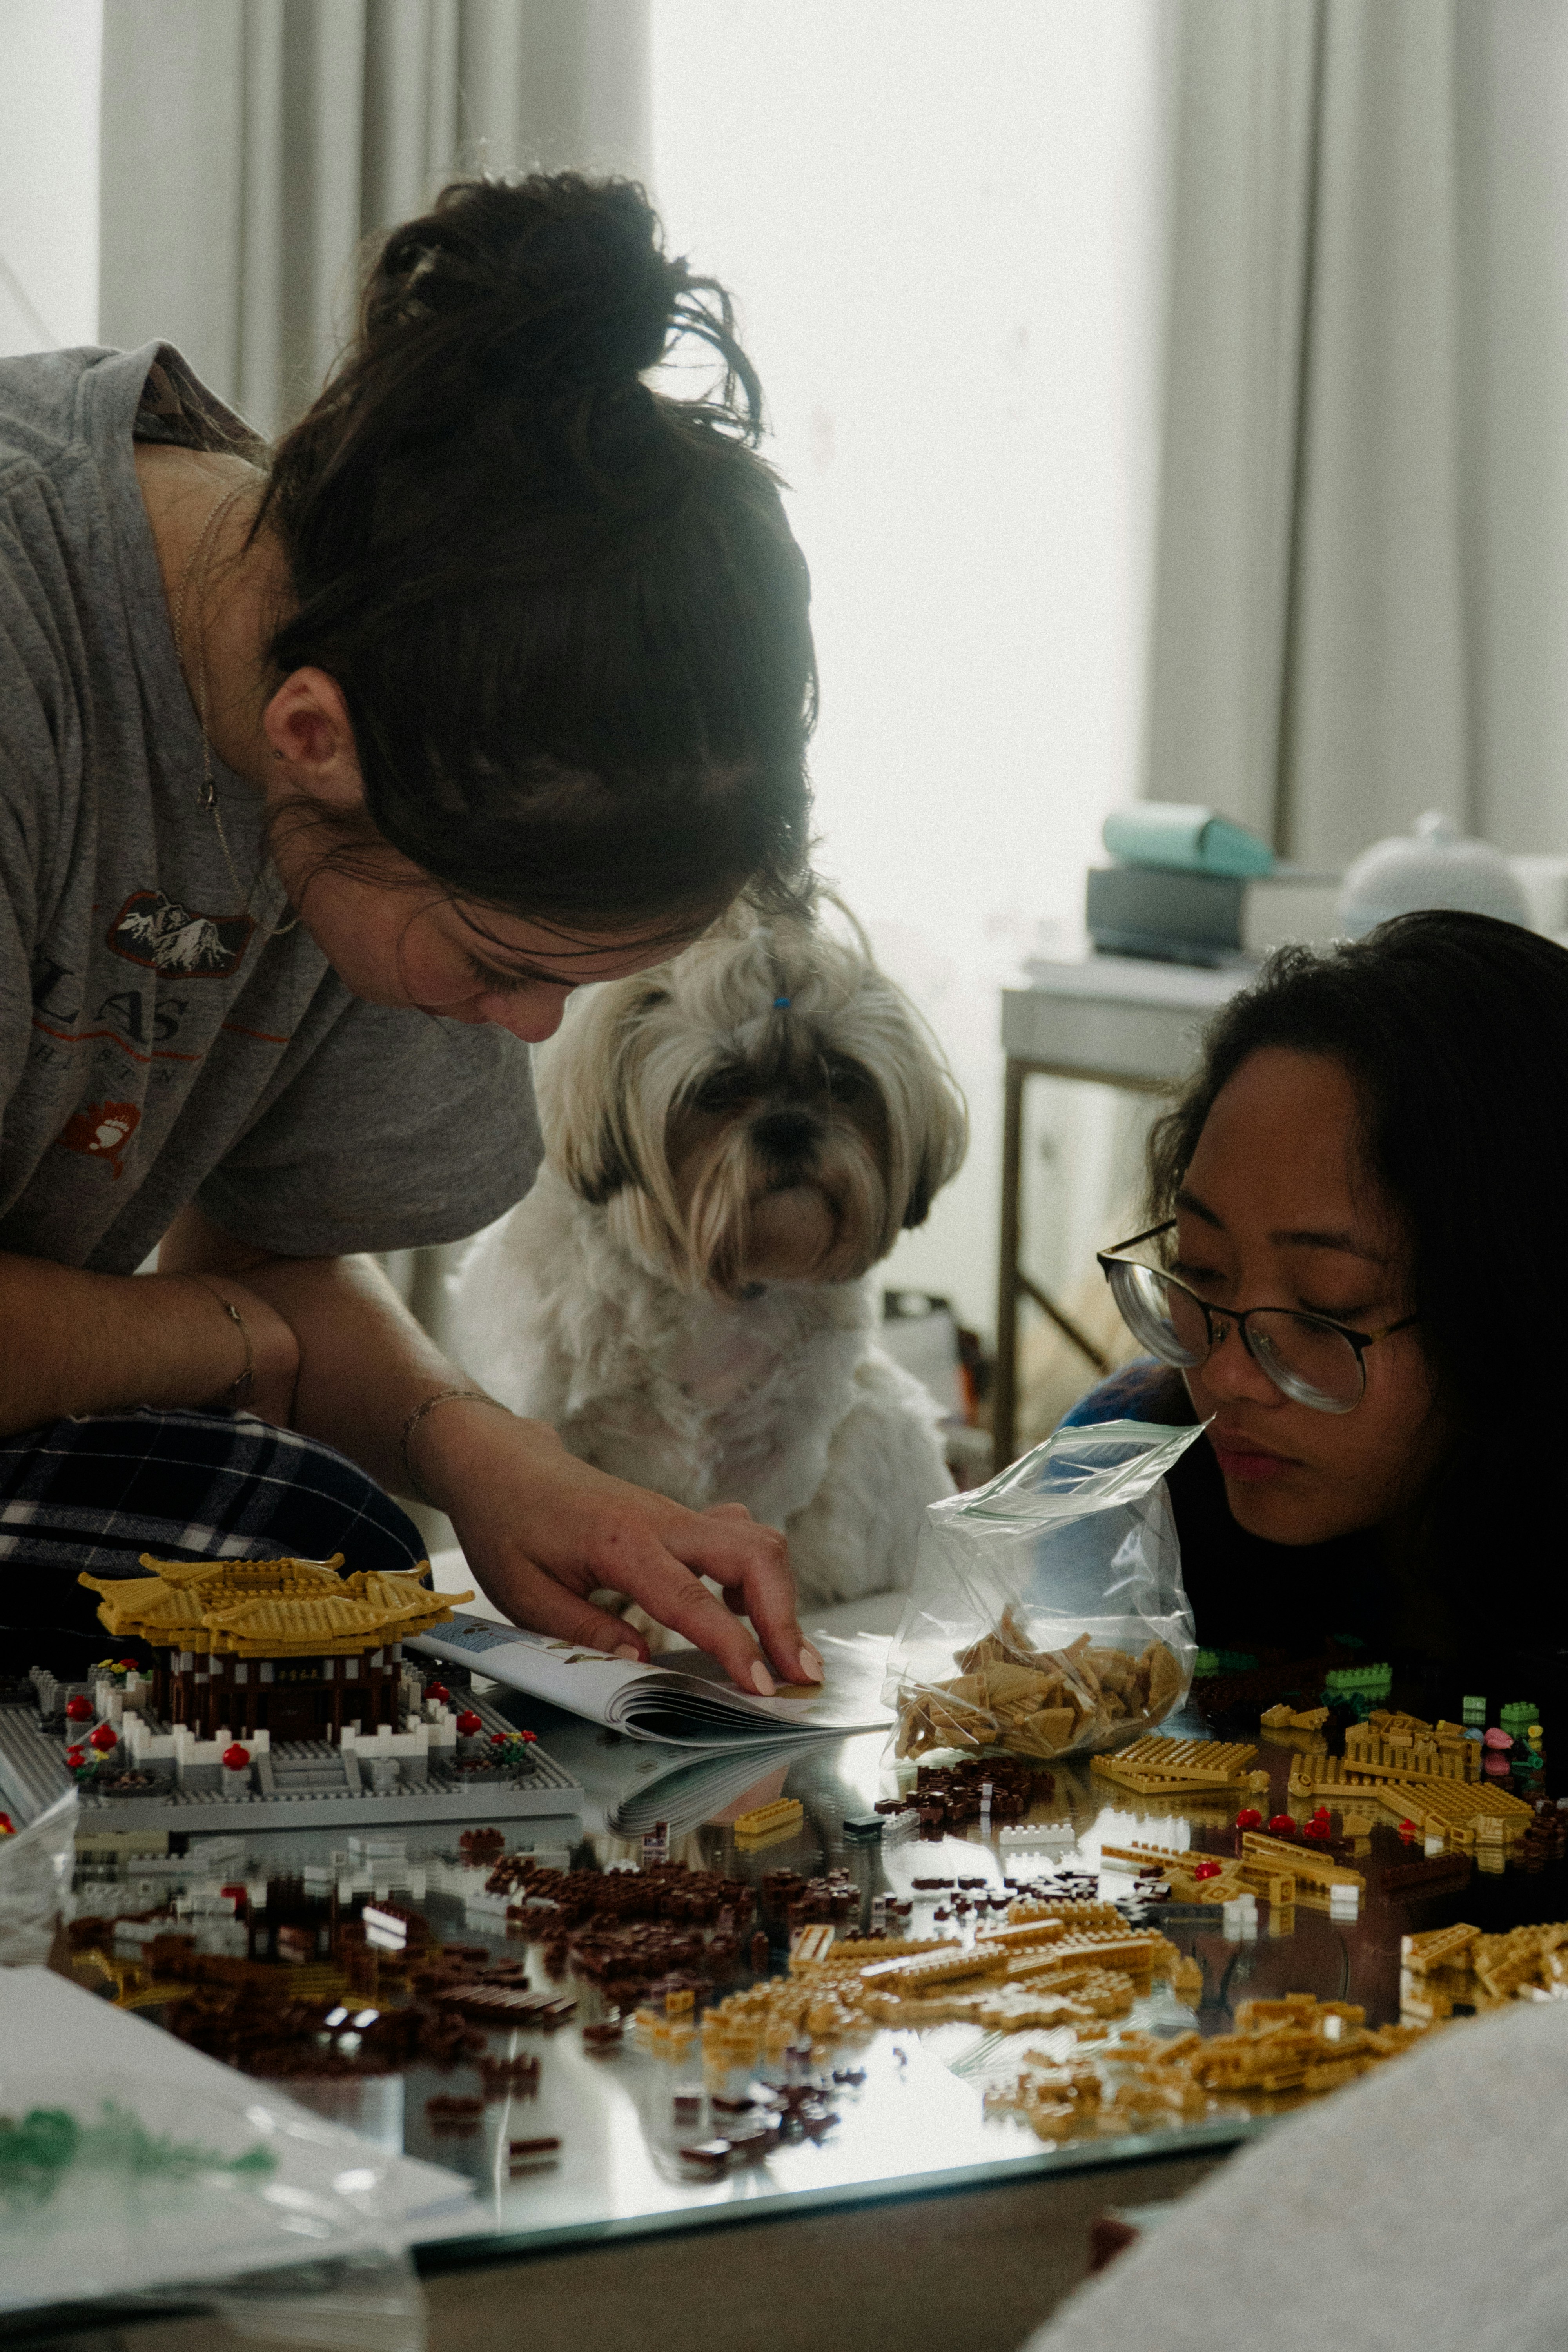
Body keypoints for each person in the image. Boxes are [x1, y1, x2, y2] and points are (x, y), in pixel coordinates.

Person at [0, 171, 824, 1694]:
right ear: (314, 740)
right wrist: (222, 1333)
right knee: (298, 1543)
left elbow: (275, 1259)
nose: (530, 1027)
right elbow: (250, 1311)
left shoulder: (395, 659)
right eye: (504, 967)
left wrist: (501, 1464)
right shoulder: (30, 643)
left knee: (339, 1554)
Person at [1067, 910, 1568, 1708]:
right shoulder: (1120, 1476)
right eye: (1201, 1269)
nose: (1227, 1377)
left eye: (1325, 1308)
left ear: (1517, 1313)